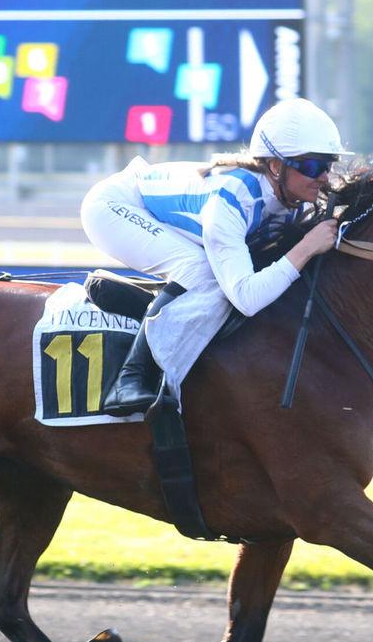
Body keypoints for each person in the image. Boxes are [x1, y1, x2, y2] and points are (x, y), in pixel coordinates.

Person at [80, 97, 347, 416]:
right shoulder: (232, 202)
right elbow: (246, 298)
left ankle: (146, 305)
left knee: (214, 272)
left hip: (156, 208)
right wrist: (306, 247)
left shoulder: (293, 199)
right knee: (200, 268)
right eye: (312, 166)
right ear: (275, 166)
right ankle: (129, 380)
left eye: (328, 165)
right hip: (114, 207)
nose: (323, 177)